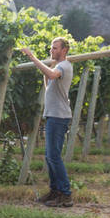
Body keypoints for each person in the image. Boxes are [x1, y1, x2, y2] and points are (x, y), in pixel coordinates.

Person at [19, 36, 74, 207]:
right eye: (51, 48)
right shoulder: (57, 66)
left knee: (54, 157)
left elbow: (51, 74)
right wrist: (48, 65)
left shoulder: (64, 66)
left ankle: (65, 194)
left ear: (64, 50)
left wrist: (32, 57)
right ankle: (55, 191)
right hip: (53, 115)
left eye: (55, 48)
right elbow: (48, 83)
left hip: (59, 117)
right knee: (50, 157)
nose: (52, 50)